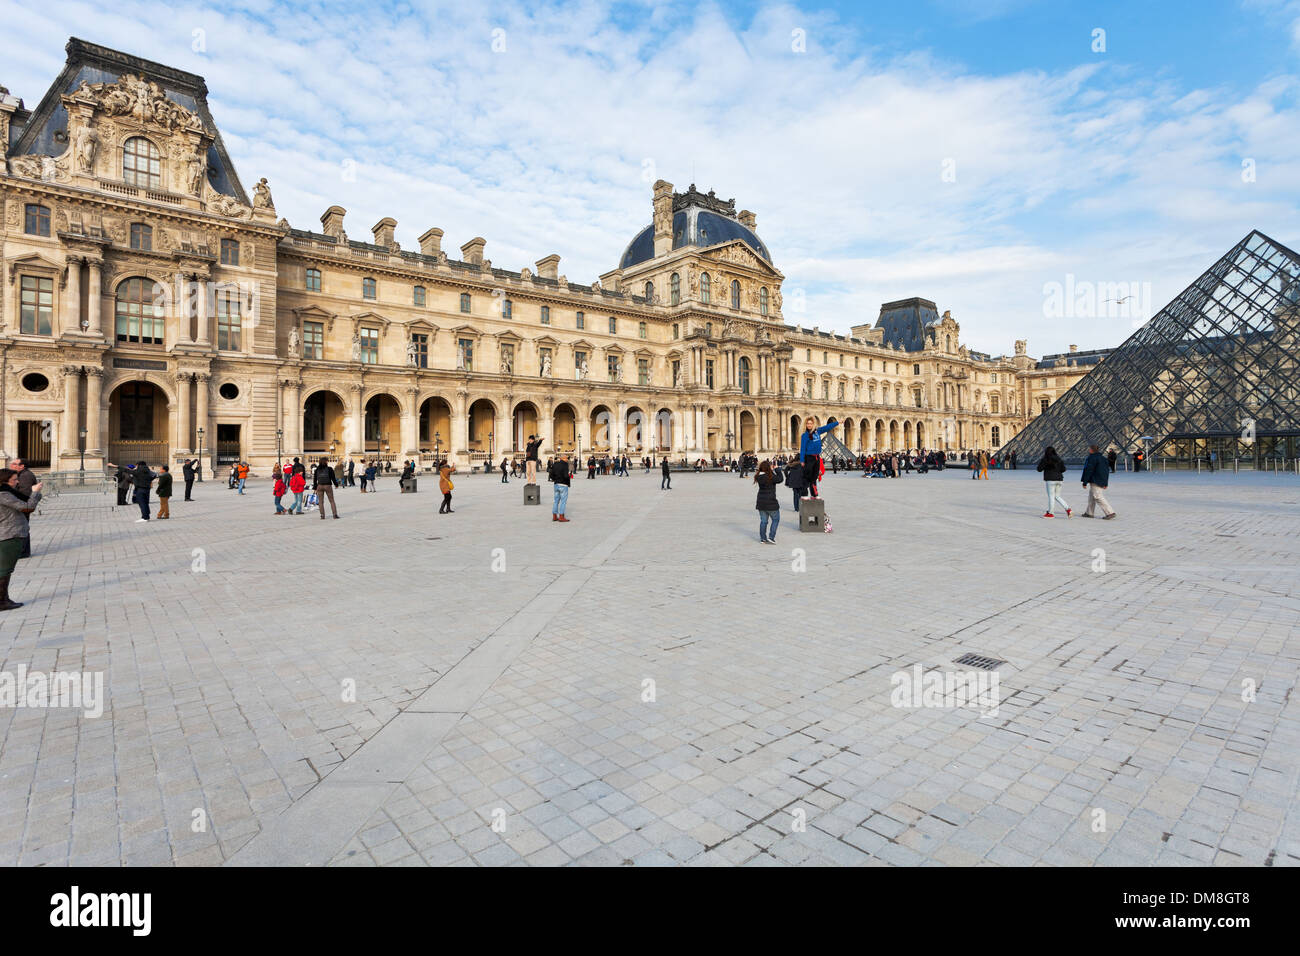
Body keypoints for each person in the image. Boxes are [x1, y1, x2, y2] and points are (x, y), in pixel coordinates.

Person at [0, 468, 42, 610]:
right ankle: (2, 601)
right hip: (9, 535)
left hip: (9, 534)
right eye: (14, 479)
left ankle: (4, 599)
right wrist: (35, 492)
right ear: (4, 481)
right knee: (5, 570)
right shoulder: (4, 495)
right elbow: (28, 507)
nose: (17, 482)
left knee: (5, 569)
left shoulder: (8, 493)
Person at [799, 416, 838, 497]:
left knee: (814, 477)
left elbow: (827, 427)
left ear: (813, 424)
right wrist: (802, 460)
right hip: (809, 457)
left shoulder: (817, 431)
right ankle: (804, 494)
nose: (809, 425)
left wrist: (837, 423)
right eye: (807, 424)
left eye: (810, 423)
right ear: (805, 425)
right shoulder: (805, 435)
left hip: (816, 457)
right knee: (807, 476)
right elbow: (802, 448)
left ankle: (814, 494)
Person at [7, 459, 37, 557]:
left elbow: (24, 493)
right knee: (22, 527)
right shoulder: (22, 475)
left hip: (22, 506)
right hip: (22, 505)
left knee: (22, 528)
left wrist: (13, 502)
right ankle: (23, 551)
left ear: (22, 466)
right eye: (12, 464)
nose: (11, 465)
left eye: (14, 464)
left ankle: (23, 551)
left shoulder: (25, 476)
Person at [1080, 444, 1117, 519]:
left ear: (1091, 450)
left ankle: (1110, 512)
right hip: (1101, 479)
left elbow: (1088, 470)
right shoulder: (1103, 458)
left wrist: (1085, 482)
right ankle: (1089, 512)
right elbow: (1106, 471)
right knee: (1091, 496)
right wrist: (1105, 482)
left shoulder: (1091, 458)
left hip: (1095, 480)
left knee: (1097, 496)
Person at [1035, 446, 1071, 518]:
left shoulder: (1045, 459)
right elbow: (1063, 469)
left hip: (1050, 480)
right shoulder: (1059, 459)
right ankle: (1068, 509)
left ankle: (1050, 513)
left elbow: (1039, 469)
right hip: (1059, 479)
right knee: (1057, 496)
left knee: (1051, 497)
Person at [754, 459, 784, 544]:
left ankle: (763, 538)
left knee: (764, 521)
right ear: (768, 468)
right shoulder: (770, 476)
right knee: (776, 519)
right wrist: (777, 469)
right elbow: (780, 479)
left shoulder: (758, 476)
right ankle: (771, 537)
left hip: (761, 502)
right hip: (771, 502)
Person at [548, 453, 571, 522]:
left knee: (556, 501)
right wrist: (569, 477)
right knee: (563, 501)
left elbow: (550, 473)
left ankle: (554, 516)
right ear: (563, 458)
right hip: (563, 485)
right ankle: (561, 516)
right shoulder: (565, 464)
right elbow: (565, 476)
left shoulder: (555, 464)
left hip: (556, 484)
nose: (567, 459)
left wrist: (555, 479)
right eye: (566, 458)